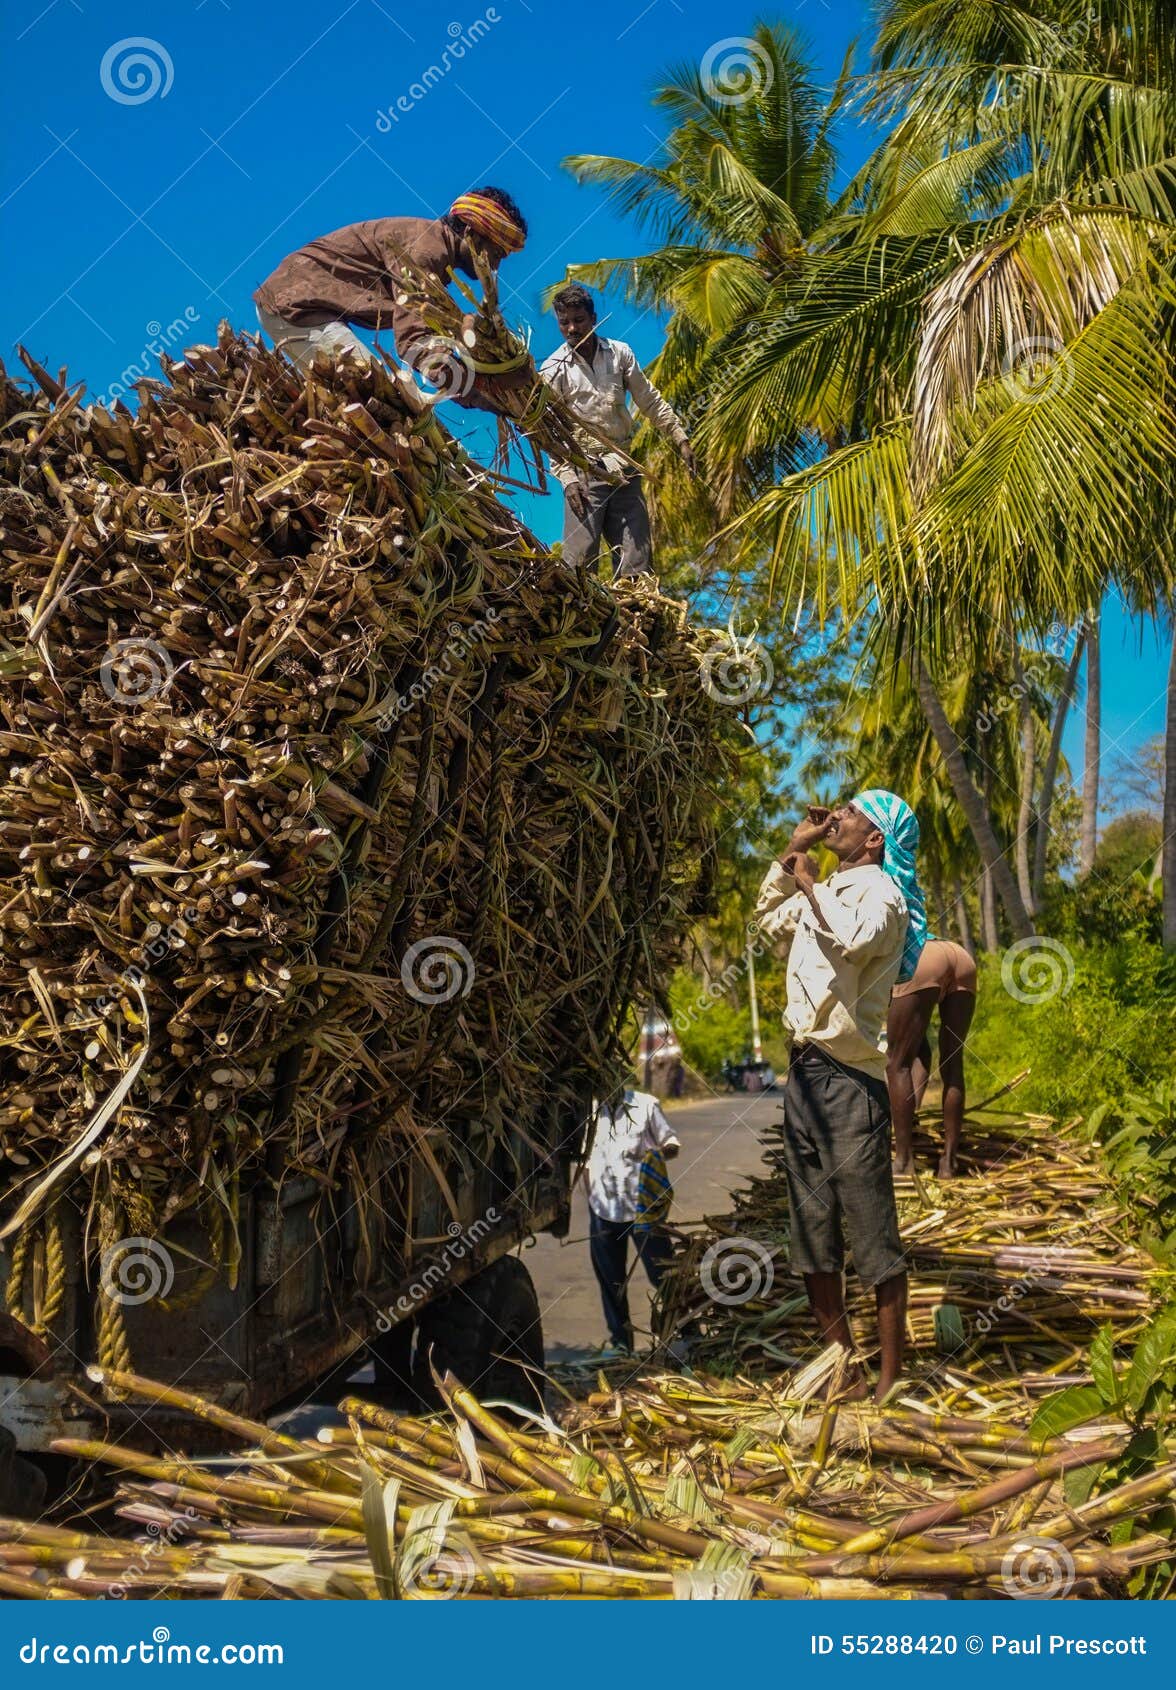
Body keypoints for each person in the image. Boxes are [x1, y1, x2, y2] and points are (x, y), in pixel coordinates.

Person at [755, 792, 925, 1402]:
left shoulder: (883, 895)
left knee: (873, 1236)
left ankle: (887, 1380)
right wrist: (795, 852)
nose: (836, 816)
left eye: (850, 813)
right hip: (804, 1073)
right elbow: (762, 923)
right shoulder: (823, 886)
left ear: (874, 839)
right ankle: (842, 1364)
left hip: (850, 1081)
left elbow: (852, 941)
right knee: (813, 1236)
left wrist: (808, 886)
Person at [253, 187, 527, 401]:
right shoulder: (426, 250)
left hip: (297, 302)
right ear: (471, 233)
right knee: (373, 389)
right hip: (295, 304)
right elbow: (414, 344)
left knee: (371, 396)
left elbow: (430, 331)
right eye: (496, 253)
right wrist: (480, 389)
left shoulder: (436, 254)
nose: (495, 266)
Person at [539, 284, 696, 578]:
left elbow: (648, 398)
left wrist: (679, 437)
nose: (572, 328)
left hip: (625, 465)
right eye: (564, 322)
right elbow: (551, 434)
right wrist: (568, 479)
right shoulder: (552, 371)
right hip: (583, 469)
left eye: (579, 320)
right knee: (578, 562)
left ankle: (638, 617)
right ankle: (582, 618)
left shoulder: (619, 353)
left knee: (636, 560)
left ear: (593, 318)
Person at [583, 1085, 680, 1356]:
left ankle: (686, 1329)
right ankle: (621, 1342)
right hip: (603, 1208)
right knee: (611, 1279)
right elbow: (585, 1160)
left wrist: (658, 1155)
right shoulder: (589, 1112)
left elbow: (670, 1141)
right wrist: (589, 1197)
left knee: (661, 1273)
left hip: (643, 1208)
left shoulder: (646, 1105)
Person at [887, 939, 978, 1179]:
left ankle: (904, 1161)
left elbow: (902, 1063)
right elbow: (922, 1053)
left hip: (919, 959)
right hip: (959, 955)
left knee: (896, 1064)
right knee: (952, 1060)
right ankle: (949, 1161)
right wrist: (911, 1109)